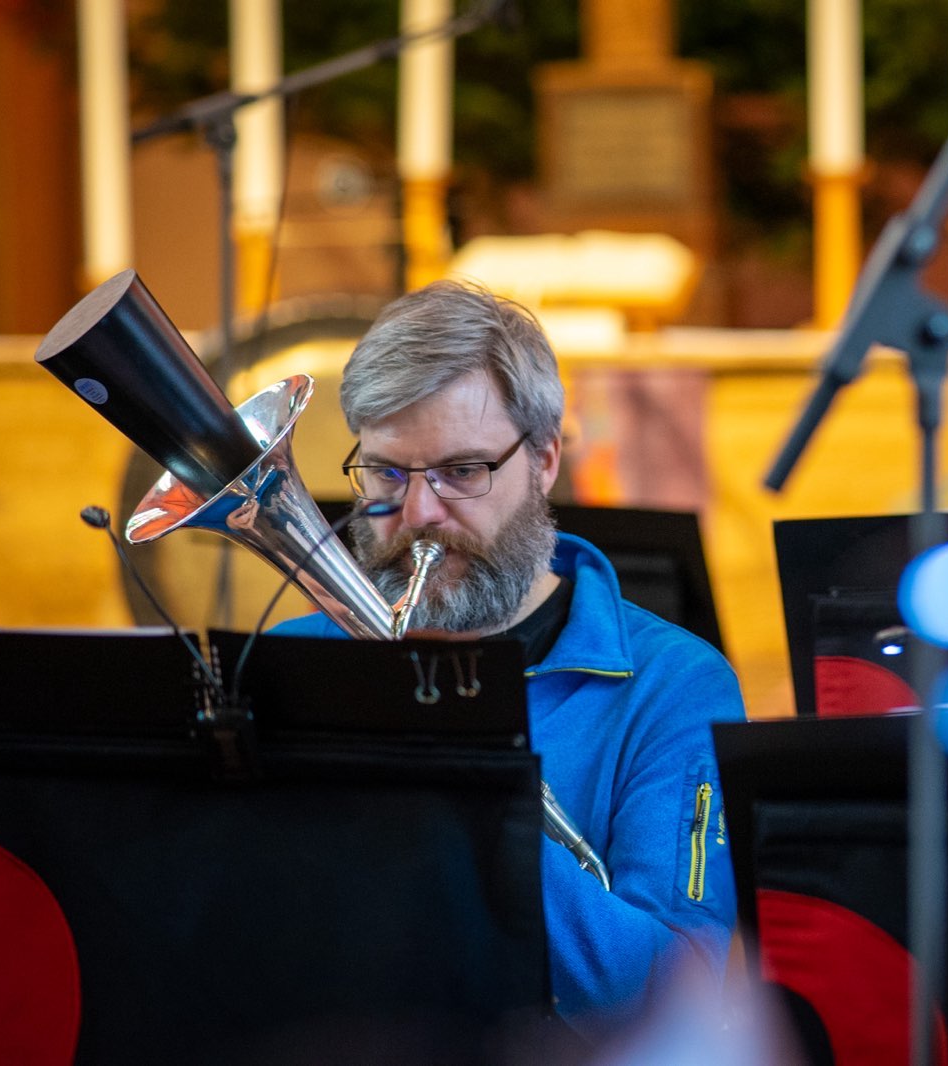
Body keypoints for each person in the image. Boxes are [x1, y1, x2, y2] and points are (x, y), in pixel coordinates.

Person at [270, 280, 745, 1036]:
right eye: (389, 472)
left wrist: (465, 776)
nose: (420, 514)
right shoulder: (288, 663)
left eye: (463, 472)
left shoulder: (675, 686)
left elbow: (669, 998)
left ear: (546, 460)